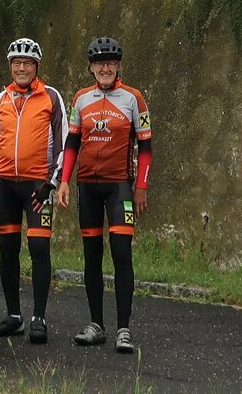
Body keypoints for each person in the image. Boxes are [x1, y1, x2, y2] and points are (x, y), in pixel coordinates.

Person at [57, 35, 152, 354]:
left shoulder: (133, 98)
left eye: (111, 62)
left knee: (122, 253)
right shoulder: (80, 98)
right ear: (91, 67)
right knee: (92, 256)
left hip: (120, 187)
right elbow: (71, 143)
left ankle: (124, 328)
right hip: (87, 186)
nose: (105, 67)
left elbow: (146, 148)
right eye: (100, 63)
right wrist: (65, 181)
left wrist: (141, 186)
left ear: (119, 66)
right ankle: (96, 324)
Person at [0, 36, 65, 344]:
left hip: (36, 187)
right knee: (9, 250)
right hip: (5, 185)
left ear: (36, 67)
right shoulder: (2, 98)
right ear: (10, 66)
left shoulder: (51, 97)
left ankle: (39, 318)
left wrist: (51, 183)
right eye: (16, 63)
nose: (21, 68)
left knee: (39, 249)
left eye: (27, 63)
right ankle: (14, 316)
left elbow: (64, 141)